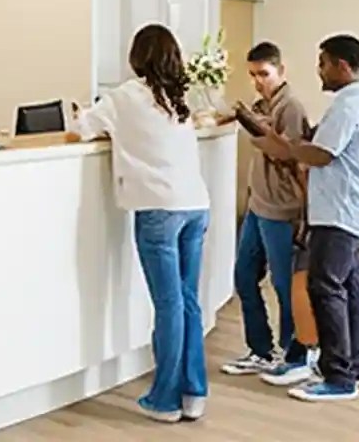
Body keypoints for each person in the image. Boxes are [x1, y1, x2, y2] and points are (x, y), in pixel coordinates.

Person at [68, 24, 212, 423]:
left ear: (137, 57)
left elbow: (79, 130)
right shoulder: (178, 99)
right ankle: (193, 392)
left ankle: (165, 400)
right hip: (196, 205)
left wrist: (82, 115)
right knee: (187, 300)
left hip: (159, 209)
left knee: (169, 305)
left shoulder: (125, 96)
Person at [249, 34, 359, 403]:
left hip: (338, 214)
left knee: (326, 289)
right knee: (348, 292)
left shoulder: (348, 106)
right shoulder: (355, 102)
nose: (319, 70)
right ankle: (350, 367)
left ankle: (338, 377)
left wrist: (286, 146)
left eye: (323, 63)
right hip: (347, 211)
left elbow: (322, 154)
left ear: (342, 65)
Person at [218, 42, 313, 383]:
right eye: (253, 75)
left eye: (264, 74)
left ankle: (294, 355)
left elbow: (288, 153)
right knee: (244, 276)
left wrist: (252, 124)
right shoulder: (262, 105)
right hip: (258, 206)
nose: (258, 81)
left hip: (282, 209)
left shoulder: (291, 107)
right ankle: (261, 350)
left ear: (280, 70)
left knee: (285, 286)